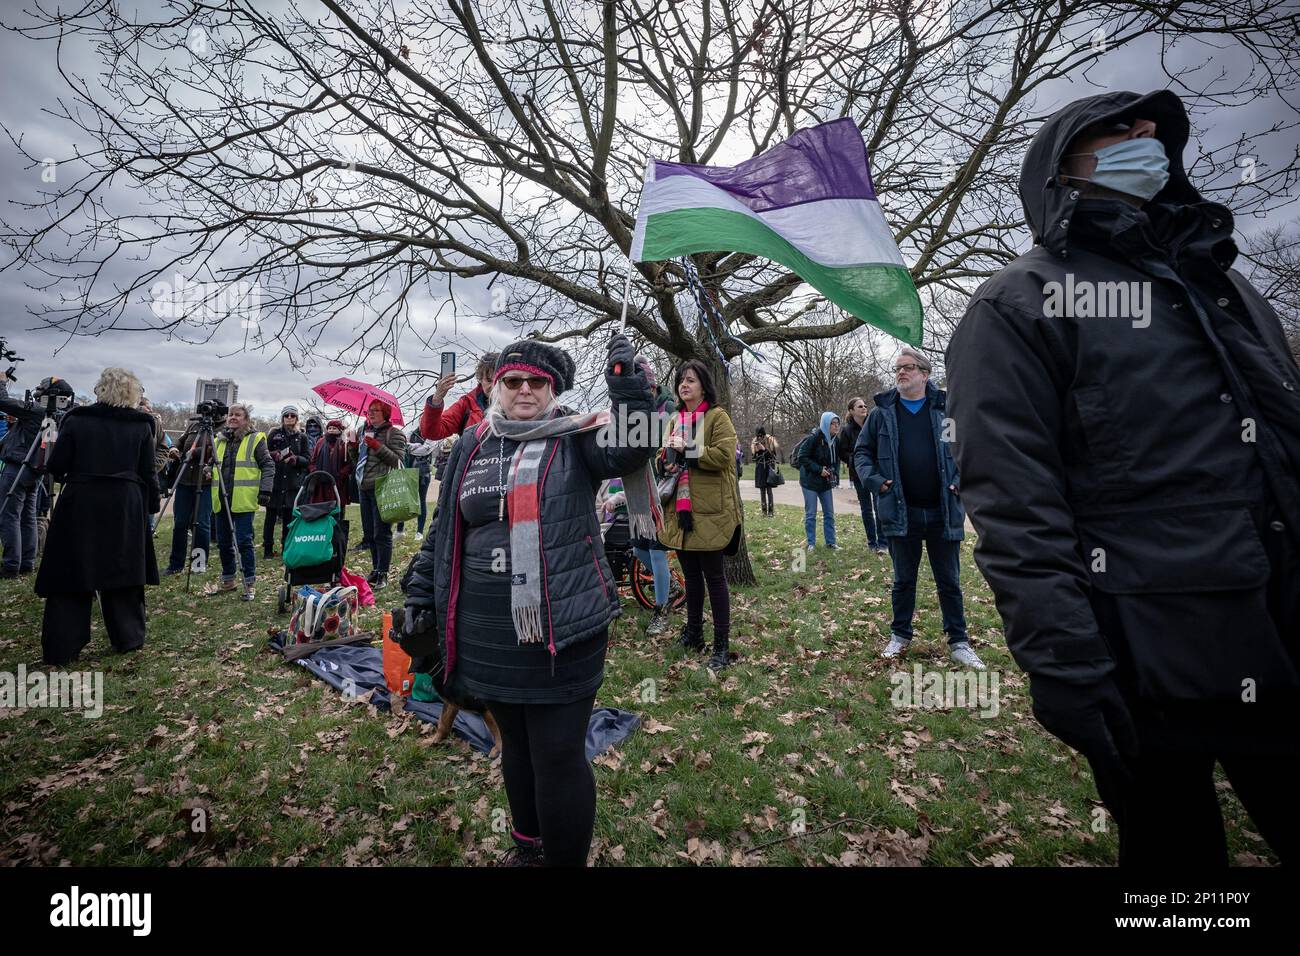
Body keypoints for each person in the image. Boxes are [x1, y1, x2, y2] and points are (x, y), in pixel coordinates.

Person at [946, 90, 1300, 866]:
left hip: (1281, 642)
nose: (1147, 134)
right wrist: (1066, 665)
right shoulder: (1018, 306)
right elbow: (1015, 508)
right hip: (1146, 671)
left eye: (1154, 130)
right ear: (1061, 164)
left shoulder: (1229, 290)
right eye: (1120, 127)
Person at [403, 335, 654, 867]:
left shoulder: (577, 439)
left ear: (553, 389)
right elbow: (445, 531)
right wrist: (420, 593)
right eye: (512, 381)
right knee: (515, 748)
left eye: (536, 382)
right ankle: (527, 849)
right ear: (495, 385)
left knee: (558, 754)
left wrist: (627, 385)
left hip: (561, 629)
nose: (523, 390)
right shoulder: (472, 444)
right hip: (486, 632)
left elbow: (638, 442)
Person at [855, 348, 981, 669]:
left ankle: (959, 641)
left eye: (908, 368)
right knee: (903, 580)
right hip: (900, 511)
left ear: (925, 374)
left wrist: (959, 479)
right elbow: (862, 454)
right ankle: (899, 636)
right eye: (897, 368)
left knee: (949, 581)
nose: (901, 373)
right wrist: (877, 481)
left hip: (942, 510)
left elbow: (966, 447)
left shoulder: (945, 409)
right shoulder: (883, 412)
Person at [36, 368, 159, 664]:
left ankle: (63, 645)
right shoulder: (142, 425)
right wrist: (151, 503)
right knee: (123, 570)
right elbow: (148, 471)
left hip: (83, 501)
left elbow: (58, 464)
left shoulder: (78, 420)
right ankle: (128, 636)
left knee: (73, 571)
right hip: (124, 504)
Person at [657, 360, 742, 671]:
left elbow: (723, 455)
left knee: (714, 578)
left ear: (703, 385)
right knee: (691, 577)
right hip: (681, 510)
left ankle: (721, 645)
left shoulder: (718, 417)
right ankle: (694, 634)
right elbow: (663, 452)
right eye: (681, 380)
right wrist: (663, 461)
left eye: (690, 380)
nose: (684, 385)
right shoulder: (674, 419)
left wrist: (688, 449)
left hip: (710, 510)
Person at [203, 403, 274, 601]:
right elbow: (212, 464)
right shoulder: (220, 440)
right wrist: (208, 470)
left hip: (243, 499)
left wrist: (265, 490)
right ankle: (228, 579)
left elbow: (268, 465)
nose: (233, 417)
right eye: (230, 414)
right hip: (221, 499)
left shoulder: (255, 439)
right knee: (224, 542)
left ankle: (249, 583)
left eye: (238, 415)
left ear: (246, 419)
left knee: (244, 541)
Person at [0, 378, 48, 578]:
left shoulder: (36, 411)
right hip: (34, 470)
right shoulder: (56, 415)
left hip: (18, 467)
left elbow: (3, 401)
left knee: (9, 516)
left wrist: (2, 382)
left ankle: (11, 565)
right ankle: (26, 562)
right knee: (27, 517)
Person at [357, 398, 407, 588]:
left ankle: (383, 573)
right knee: (369, 533)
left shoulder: (393, 433)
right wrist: (355, 447)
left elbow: (398, 461)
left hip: (383, 488)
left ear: (385, 413)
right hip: (364, 488)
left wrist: (376, 446)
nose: (371, 413)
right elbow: (360, 461)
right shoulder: (365, 432)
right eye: (369, 410)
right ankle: (375, 569)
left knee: (382, 533)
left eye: (376, 410)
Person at [161, 412, 215, 575]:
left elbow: (215, 448)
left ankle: (198, 564)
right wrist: (174, 447)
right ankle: (176, 564)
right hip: (184, 480)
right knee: (180, 523)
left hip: (205, 483)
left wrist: (196, 452)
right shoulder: (193, 425)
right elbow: (182, 439)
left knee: (201, 524)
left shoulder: (220, 429)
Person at [837, 397, 886, 551]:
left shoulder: (873, 424)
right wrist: (856, 461)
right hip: (858, 475)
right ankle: (872, 542)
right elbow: (842, 453)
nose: (864, 408)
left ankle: (883, 543)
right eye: (860, 406)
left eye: (865, 405)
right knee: (866, 509)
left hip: (877, 473)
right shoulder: (846, 431)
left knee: (880, 507)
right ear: (852, 411)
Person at [263, 406, 311, 558]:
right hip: (276, 480)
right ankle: (268, 549)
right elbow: (263, 453)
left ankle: (286, 546)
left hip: (292, 482)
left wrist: (295, 459)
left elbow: (307, 459)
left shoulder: (302, 437)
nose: (289, 418)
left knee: (288, 516)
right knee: (270, 516)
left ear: (297, 418)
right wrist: (274, 455)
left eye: (292, 416)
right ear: (282, 418)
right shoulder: (274, 434)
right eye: (286, 415)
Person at [420, 351, 498, 439]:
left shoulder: (516, 405)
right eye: (489, 380)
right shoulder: (467, 404)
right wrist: (437, 399)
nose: (494, 386)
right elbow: (431, 433)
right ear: (480, 379)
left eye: (499, 380)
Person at [798, 412, 840, 551]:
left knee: (829, 513)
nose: (836, 426)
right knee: (811, 514)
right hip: (810, 482)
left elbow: (836, 460)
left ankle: (831, 542)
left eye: (837, 423)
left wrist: (835, 474)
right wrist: (818, 469)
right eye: (833, 423)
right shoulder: (814, 439)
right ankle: (811, 543)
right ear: (825, 424)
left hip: (825, 482)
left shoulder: (835, 441)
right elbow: (802, 457)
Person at [396, 425, 435, 540]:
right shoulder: (411, 433)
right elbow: (404, 446)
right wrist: (417, 446)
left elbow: (425, 450)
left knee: (422, 501)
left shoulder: (432, 435)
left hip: (423, 473)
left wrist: (411, 447)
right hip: (408, 470)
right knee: (404, 499)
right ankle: (399, 530)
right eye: (422, 419)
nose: (423, 422)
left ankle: (419, 532)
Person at [307, 418, 355, 508]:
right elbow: (313, 460)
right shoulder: (320, 442)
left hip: (338, 483)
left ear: (340, 430)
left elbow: (350, 463)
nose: (331, 430)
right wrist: (315, 471)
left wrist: (341, 474)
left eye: (334, 428)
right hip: (320, 482)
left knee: (337, 508)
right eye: (329, 428)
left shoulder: (344, 444)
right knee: (319, 508)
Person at [751, 426, 780, 517]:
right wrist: (757, 451)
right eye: (758, 436)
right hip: (760, 468)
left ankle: (771, 511)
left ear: (764, 435)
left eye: (761, 435)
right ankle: (764, 511)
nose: (759, 437)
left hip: (769, 468)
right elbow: (754, 459)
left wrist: (763, 449)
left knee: (769, 490)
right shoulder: (755, 443)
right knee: (762, 490)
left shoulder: (770, 441)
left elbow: (773, 456)